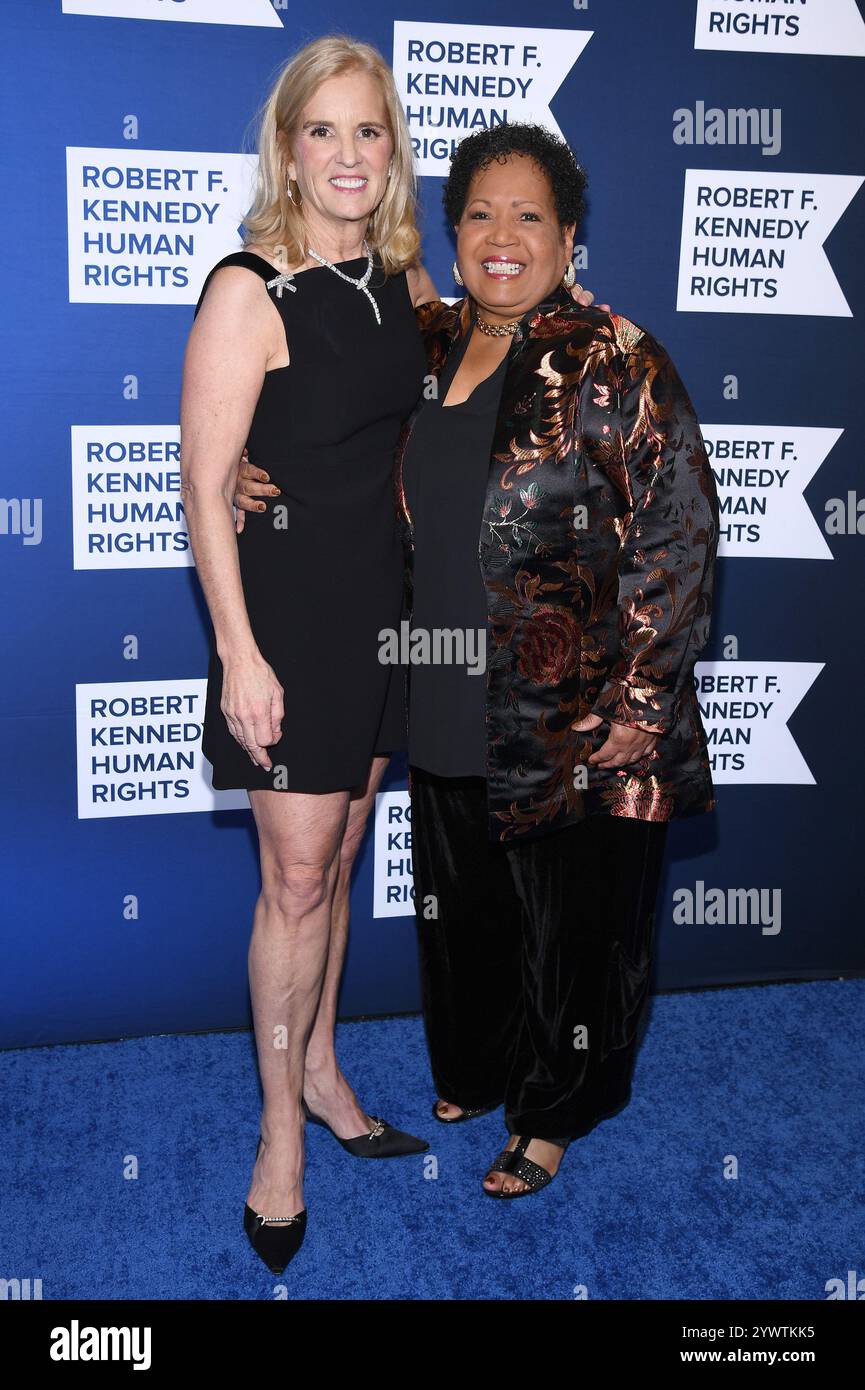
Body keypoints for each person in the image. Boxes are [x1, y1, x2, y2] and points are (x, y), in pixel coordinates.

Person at [400, 123, 719, 1197]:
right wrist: (254, 471)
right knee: (462, 902)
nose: (502, 235)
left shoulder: (619, 357)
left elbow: (678, 536)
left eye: (527, 214)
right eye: (480, 213)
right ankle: (478, 1064)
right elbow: (336, 451)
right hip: (442, 677)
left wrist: (638, 697)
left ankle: (554, 1107)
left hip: (575, 709)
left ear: (567, 234)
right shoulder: (430, 344)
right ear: (453, 239)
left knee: (570, 924)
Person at [180, 35, 439, 1275]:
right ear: (289, 145)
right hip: (284, 619)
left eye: (370, 130)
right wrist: (237, 652)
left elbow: (437, 405)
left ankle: (328, 1072)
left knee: (338, 857)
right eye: (324, 129)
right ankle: (279, 1135)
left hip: (382, 614)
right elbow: (201, 486)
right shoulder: (247, 286)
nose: (347, 154)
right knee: (291, 882)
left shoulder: (401, 276)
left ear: (393, 153)